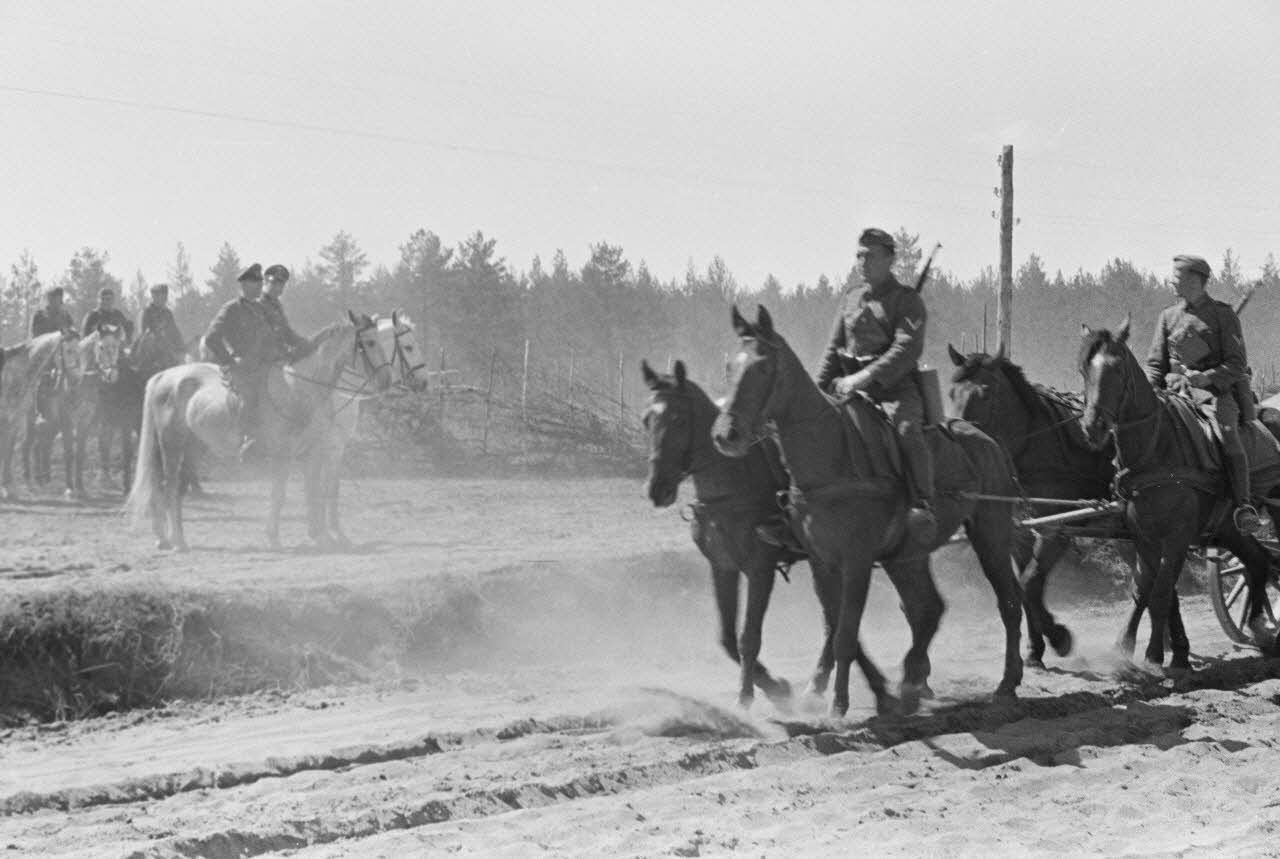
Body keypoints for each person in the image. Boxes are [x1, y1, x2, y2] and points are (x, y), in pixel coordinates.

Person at [820, 227, 935, 536]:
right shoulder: (851, 298)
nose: (862, 261)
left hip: (893, 391)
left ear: (890, 259)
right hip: (847, 391)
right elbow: (833, 351)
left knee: (907, 430)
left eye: (870, 255)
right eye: (859, 255)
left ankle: (922, 503)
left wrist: (864, 377)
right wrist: (817, 392)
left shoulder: (907, 301)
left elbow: (905, 349)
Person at [1145, 254, 1260, 535]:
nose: (1172, 282)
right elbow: (1155, 365)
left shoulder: (1223, 315)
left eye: (1178, 277)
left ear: (1196, 280)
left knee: (1227, 436)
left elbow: (1236, 364)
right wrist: (1148, 392)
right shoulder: (1168, 317)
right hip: (1175, 394)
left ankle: (1243, 506)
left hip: (1216, 395)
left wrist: (1205, 377)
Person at [202, 263, 274, 461]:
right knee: (250, 396)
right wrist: (231, 361)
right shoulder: (231, 309)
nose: (260, 286)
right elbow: (211, 337)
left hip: (265, 365)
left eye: (260, 282)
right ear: (243, 285)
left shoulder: (262, 309)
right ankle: (245, 441)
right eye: (255, 282)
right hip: (242, 369)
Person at [259, 264, 310, 361]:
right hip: (261, 362)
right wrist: (283, 350)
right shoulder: (258, 304)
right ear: (265, 282)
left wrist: (303, 343)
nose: (278, 287)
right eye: (274, 283)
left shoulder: (277, 306)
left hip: (277, 358)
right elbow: (262, 336)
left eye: (281, 284)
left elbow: (286, 332)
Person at [136, 283, 186, 369]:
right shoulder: (147, 311)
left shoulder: (167, 313)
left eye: (164, 297)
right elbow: (144, 332)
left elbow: (174, 331)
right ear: (154, 297)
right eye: (159, 296)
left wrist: (181, 347)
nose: (163, 300)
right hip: (150, 347)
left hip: (166, 346)